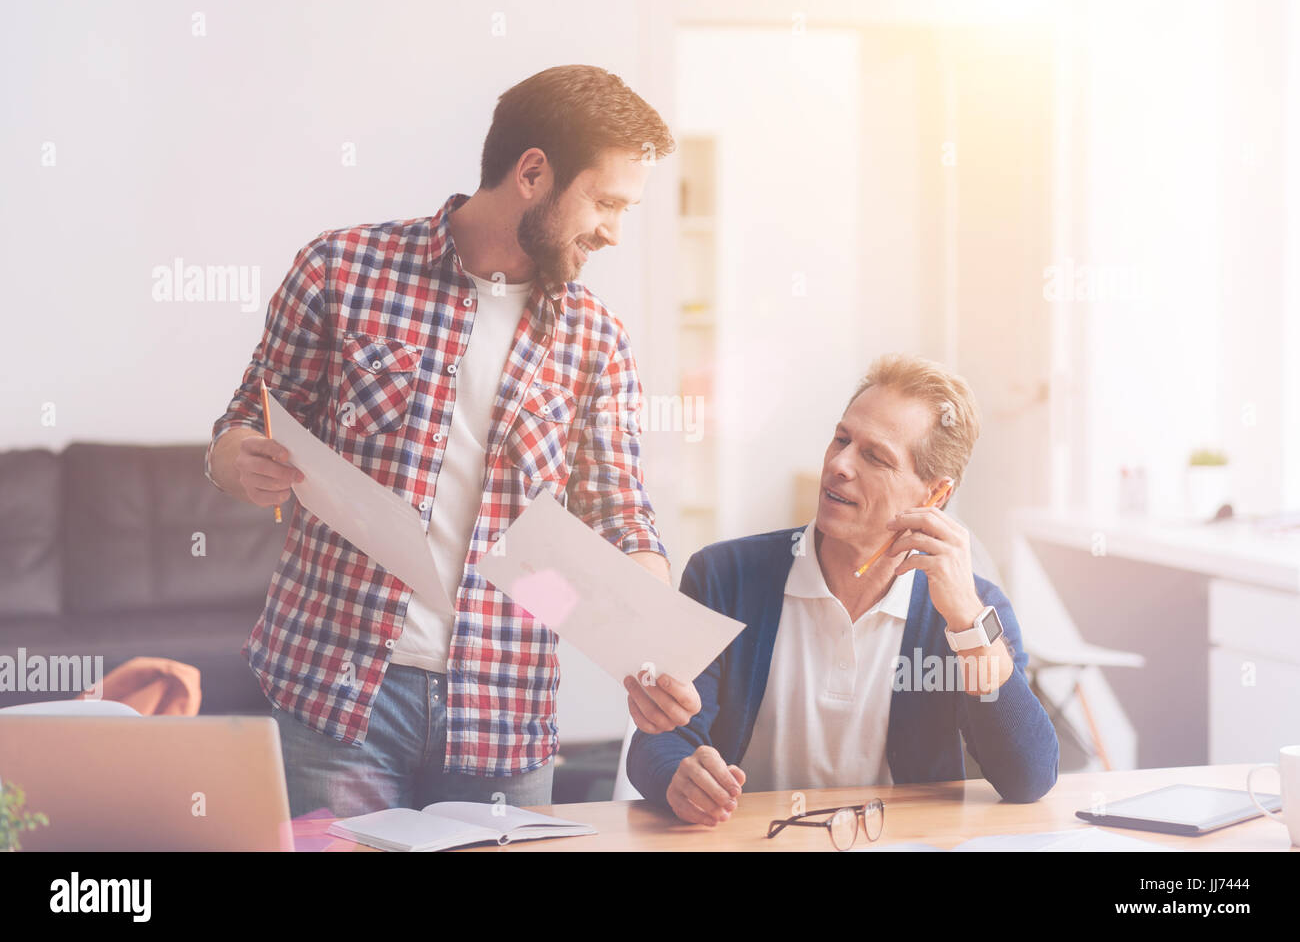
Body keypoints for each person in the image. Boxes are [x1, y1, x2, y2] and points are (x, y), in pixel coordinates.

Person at [205, 65, 700, 818]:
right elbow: (240, 426)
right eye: (604, 202)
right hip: (336, 695)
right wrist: (240, 462)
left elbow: (623, 515)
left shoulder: (596, 339)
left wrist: (650, 641)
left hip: (500, 713)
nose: (613, 231)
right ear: (532, 172)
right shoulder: (342, 270)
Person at [626, 353, 1059, 825]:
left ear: (934, 496)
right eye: (841, 439)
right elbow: (660, 736)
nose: (839, 465)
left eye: (875, 457)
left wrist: (966, 623)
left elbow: (1028, 778)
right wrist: (679, 775)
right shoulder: (724, 575)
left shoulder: (974, 613)